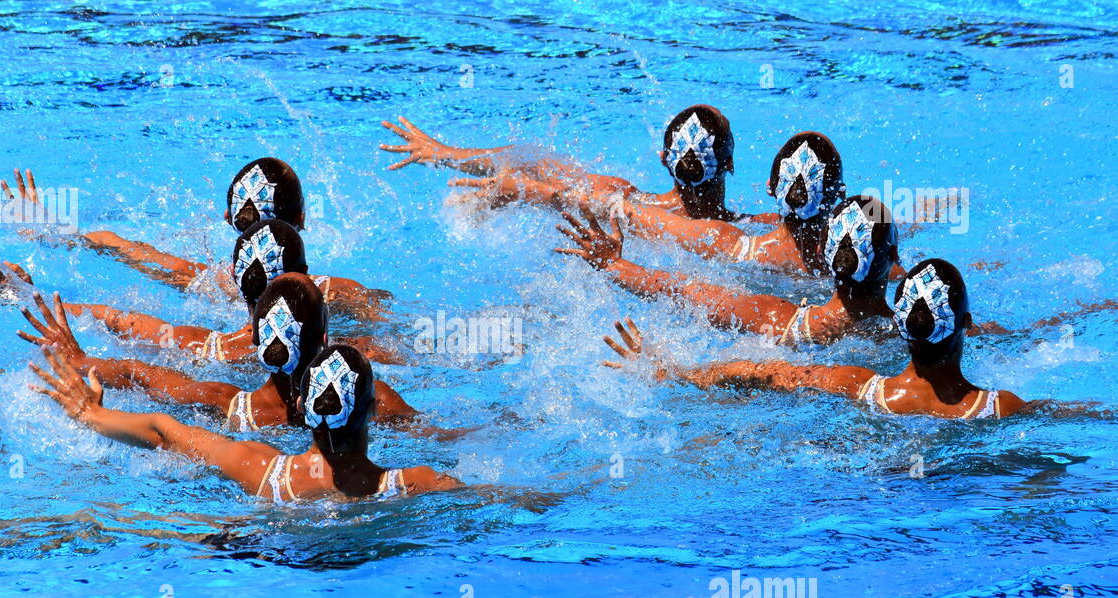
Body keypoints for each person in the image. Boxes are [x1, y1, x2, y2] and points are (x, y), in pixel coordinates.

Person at [603, 259, 1035, 419]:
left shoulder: (857, 385)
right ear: (966, 324)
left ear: (901, 327)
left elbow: (766, 375)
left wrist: (672, 372)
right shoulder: (1001, 408)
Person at [28, 343, 461, 500]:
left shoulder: (260, 470)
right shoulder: (414, 484)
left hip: (259, 552)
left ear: (305, 409)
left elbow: (163, 430)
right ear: (370, 411)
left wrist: (90, 413)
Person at [17, 275, 424, 432]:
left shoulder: (225, 404)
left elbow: (140, 374)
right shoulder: (376, 400)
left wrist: (83, 367)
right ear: (324, 340)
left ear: (257, 340)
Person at [0, 218, 401, 364]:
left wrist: (23, 297)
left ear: (235, 277)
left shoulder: (214, 351)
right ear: (305, 275)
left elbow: (120, 320)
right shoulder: (354, 352)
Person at [0, 162, 389, 320]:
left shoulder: (215, 283)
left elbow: (126, 249)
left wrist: (52, 233)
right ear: (302, 219)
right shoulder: (337, 293)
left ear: (230, 218)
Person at [558, 195, 899, 347]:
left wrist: (613, 264)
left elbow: (679, 290)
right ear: (894, 259)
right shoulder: (914, 332)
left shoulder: (780, 321)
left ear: (826, 254)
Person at [381, 106, 768, 223]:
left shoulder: (620, 199)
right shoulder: (755, 235)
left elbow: (529, 159)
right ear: (730, 164)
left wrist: (444, 153)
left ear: (665, 159)